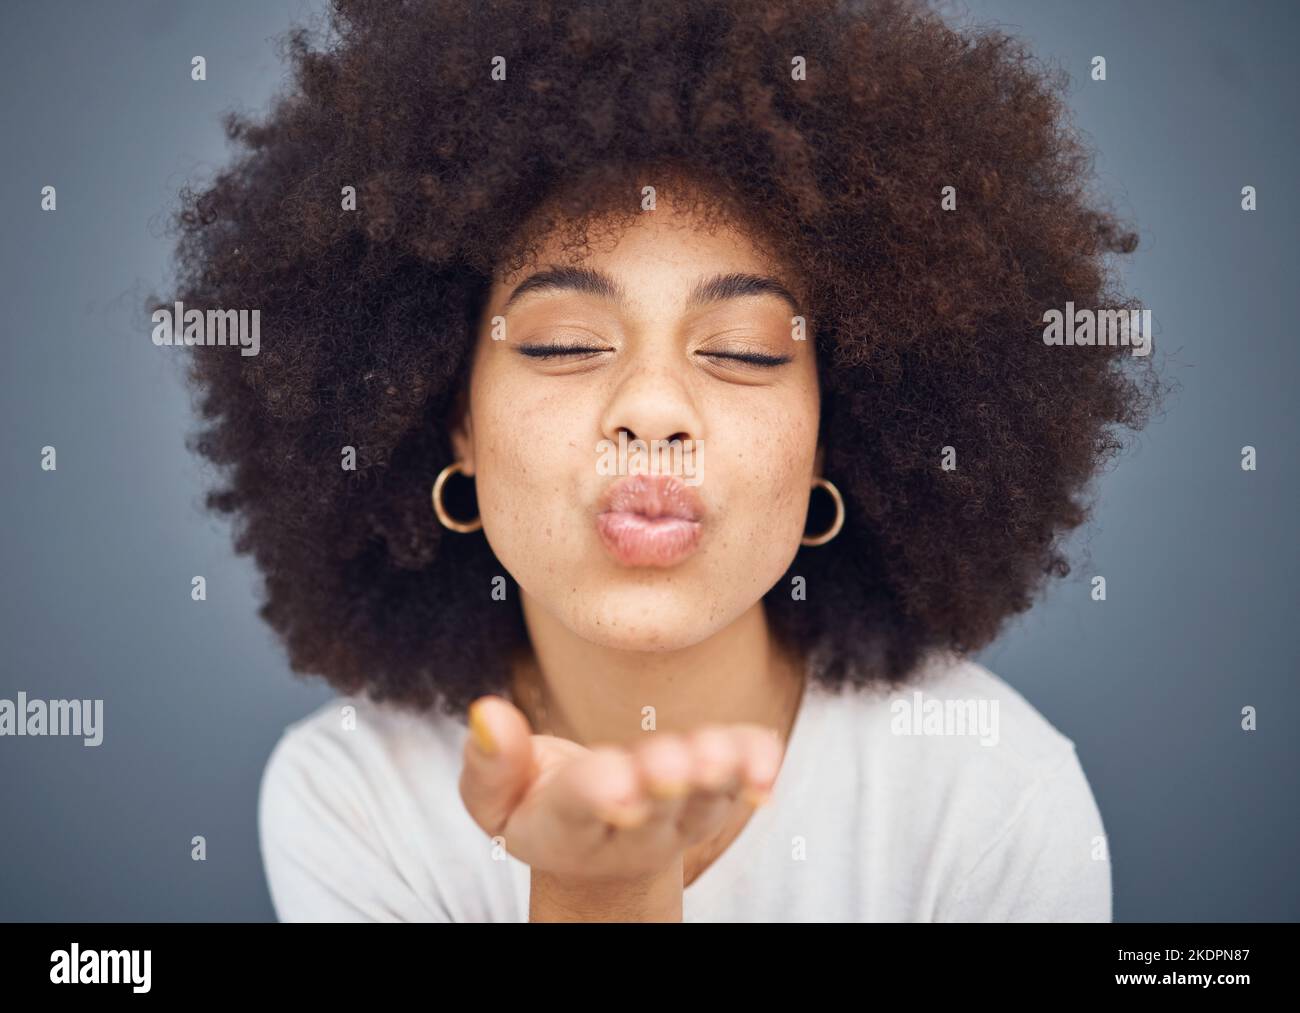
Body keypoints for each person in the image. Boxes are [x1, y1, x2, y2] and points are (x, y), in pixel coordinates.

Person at [167, 0, 1159, 921]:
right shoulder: (355, 789)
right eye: (560, 342)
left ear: (831, 440)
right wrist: (593, 891)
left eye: (745, 351)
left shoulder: (991, 792)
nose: (651, 408)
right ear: (447, 418)